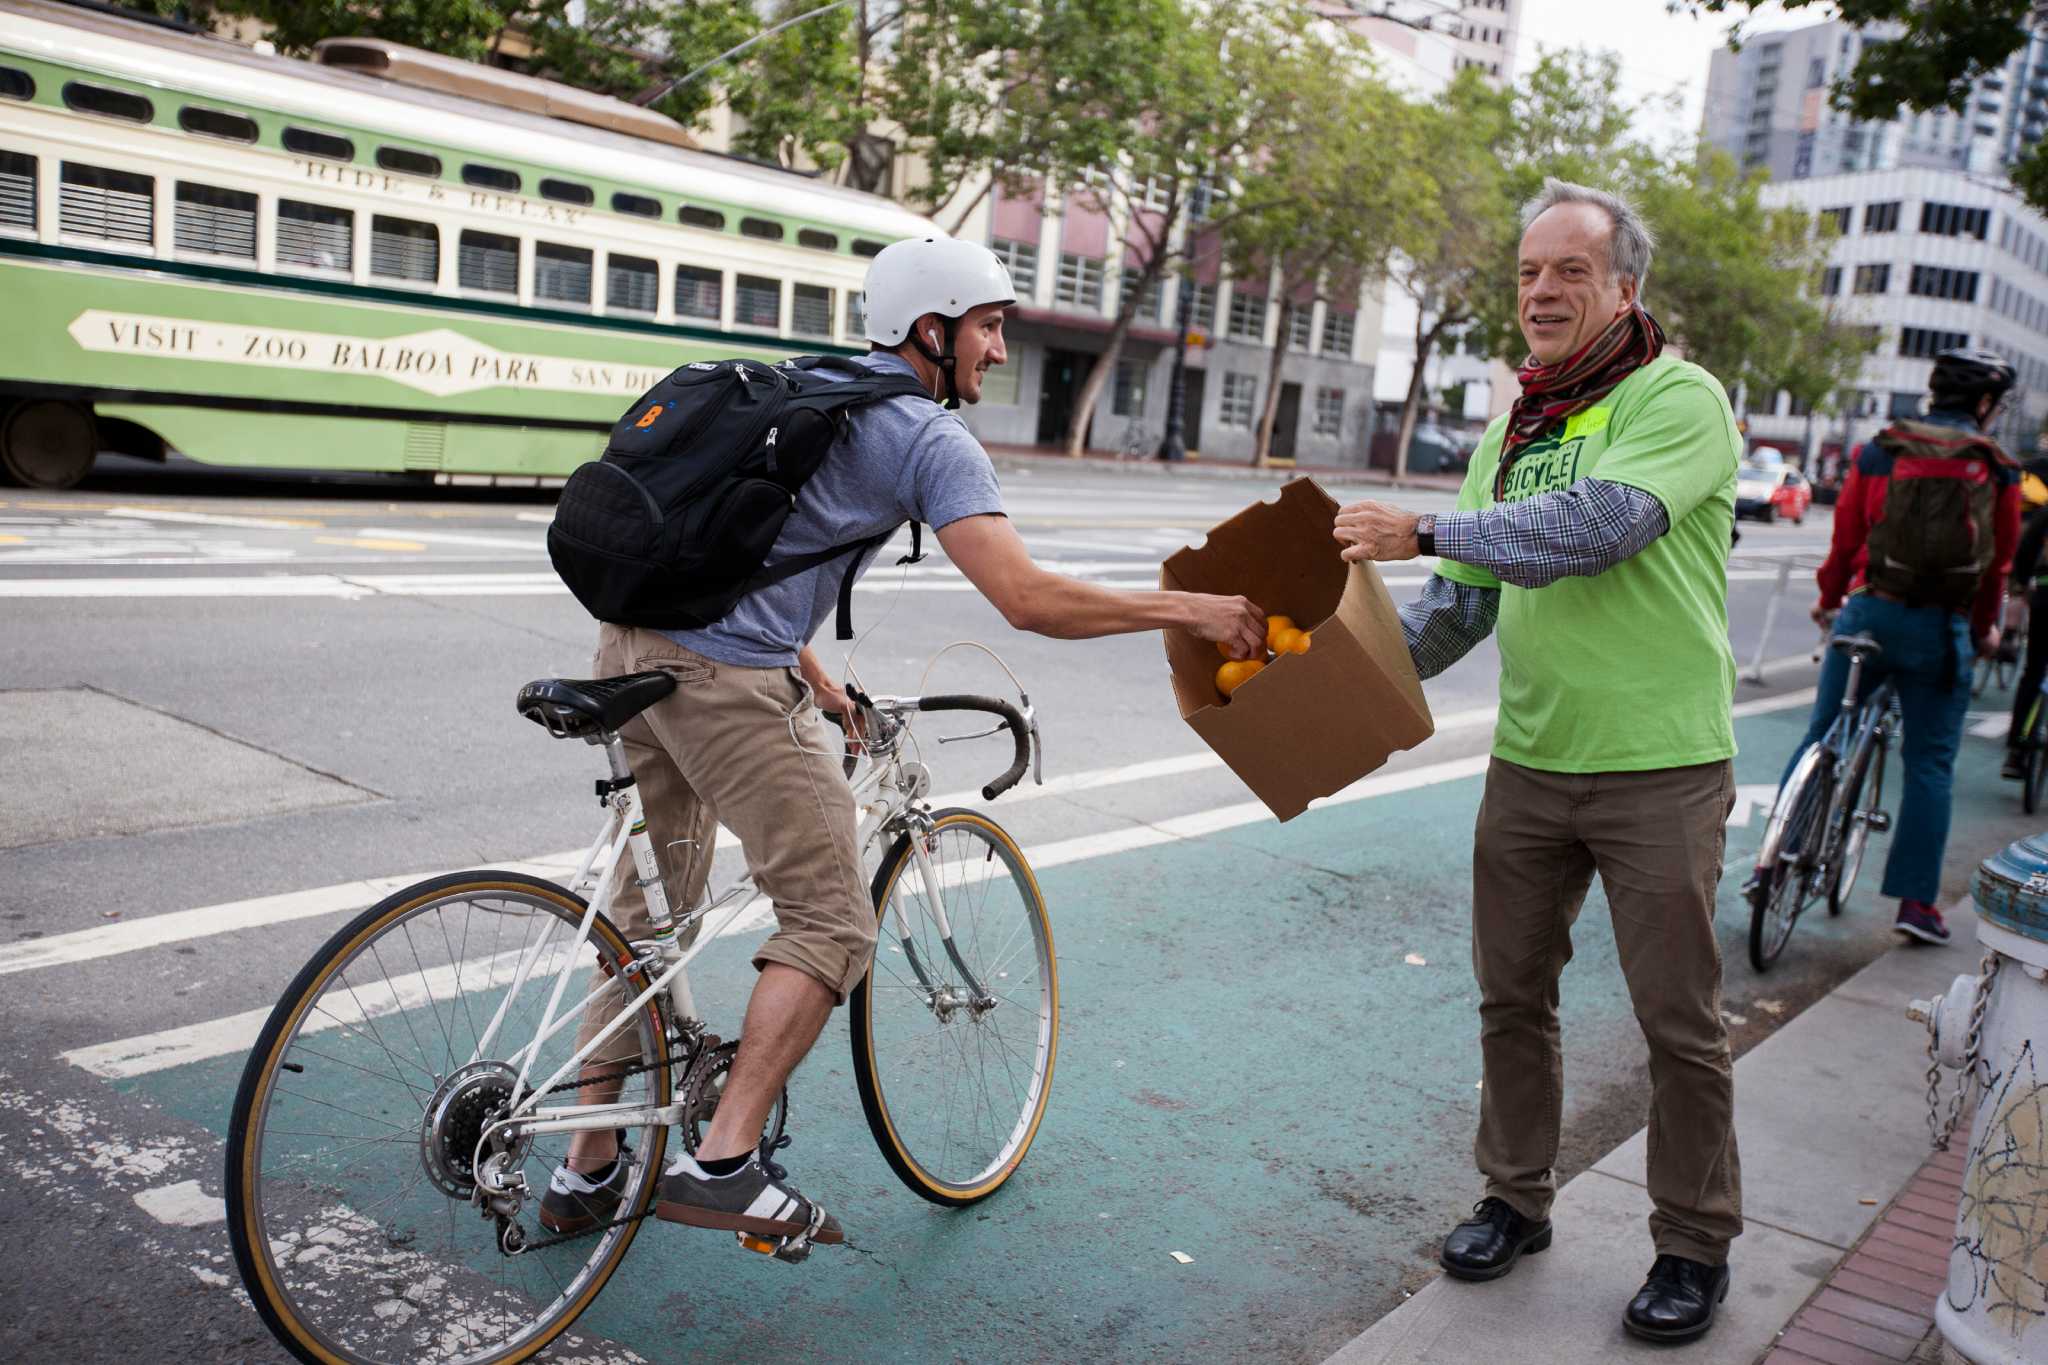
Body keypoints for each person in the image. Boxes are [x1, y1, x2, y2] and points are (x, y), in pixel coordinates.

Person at [536, 235, 1264, 1250]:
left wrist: (813, 672)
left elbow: (752, 545)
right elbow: (1027, 599)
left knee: (647, 923)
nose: (998, 351)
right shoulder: (925, 437)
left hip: (630, 650)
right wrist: (1186, 608)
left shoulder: (816, 388)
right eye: (988, 326)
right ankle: (723, 1163)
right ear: (933, 328)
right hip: (718, 682)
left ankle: (586, 1170)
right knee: (832, 922)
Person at [1332, 178, 1743, 1345]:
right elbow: (1457, 609)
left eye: (1569, 270)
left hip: (1659, 762)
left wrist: (1423, 527)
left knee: (1678, 1022)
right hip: (1531, 763)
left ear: (1623, 287)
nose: (1542, 292)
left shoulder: (1678, 399)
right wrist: (1329, 696)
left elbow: (1596, 530)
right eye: (1526, 272)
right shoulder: (1514, 431)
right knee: (1512, 998)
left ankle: (1692, 1244)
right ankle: (1514, 1198)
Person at [1786, 348, 2021, 945]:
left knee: (1822, 734)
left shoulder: (1881, 449)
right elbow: (1996, 567)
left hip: (1868, 612)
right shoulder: (1997, 468)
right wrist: (1983, 630)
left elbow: (1845, 540)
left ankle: (1775, 860)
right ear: (1986, 405)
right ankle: (1916, 905)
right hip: (1940, 629)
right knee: (1931, 766)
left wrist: (1830, 597)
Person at [2000, 465, 2048, 774]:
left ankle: (2016, 750)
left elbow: (2026, 552)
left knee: (2033, 672)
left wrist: (2023, 582)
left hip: (2045, 595)